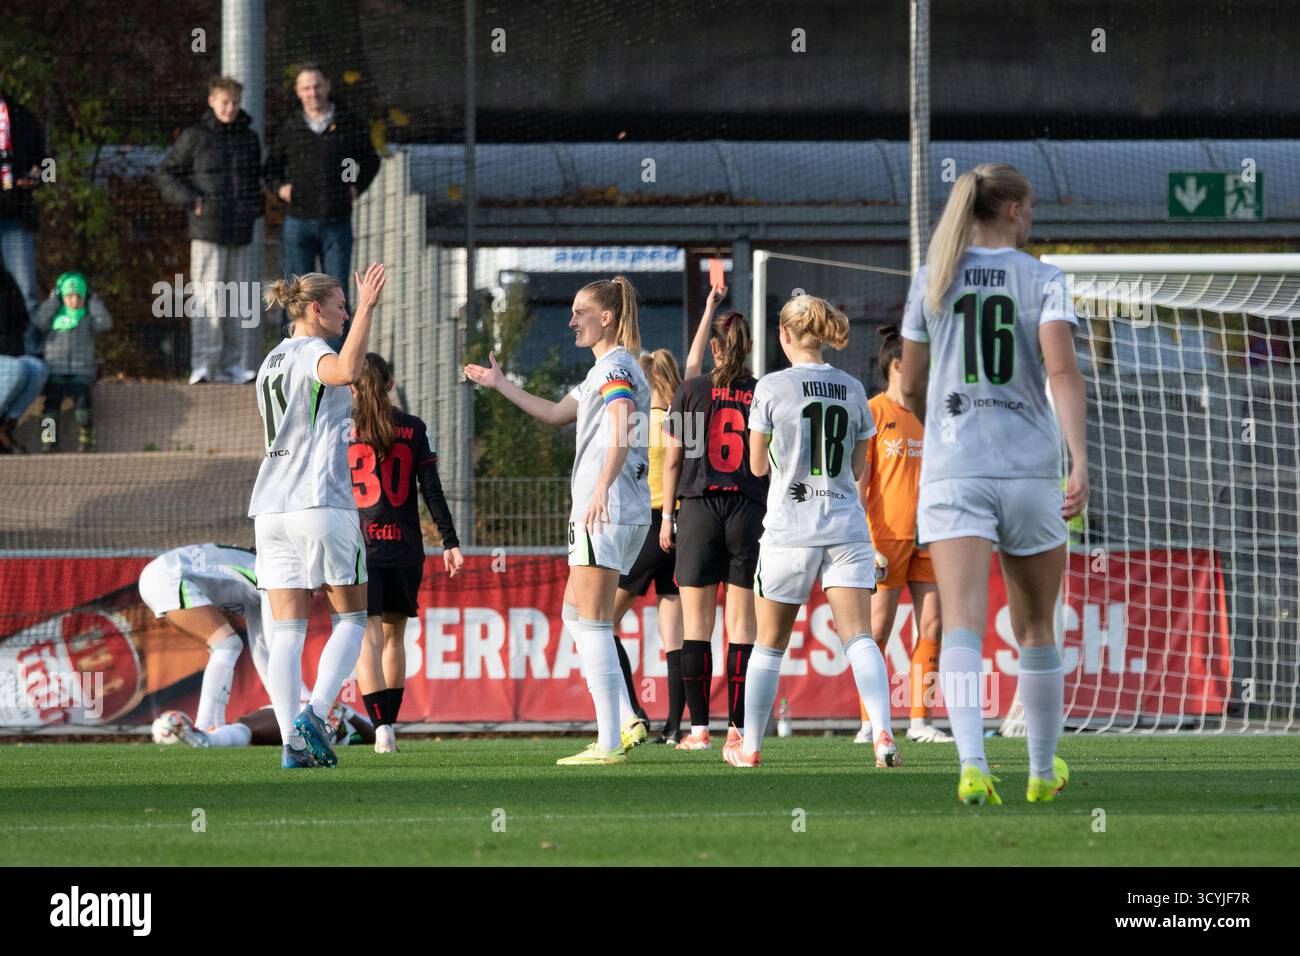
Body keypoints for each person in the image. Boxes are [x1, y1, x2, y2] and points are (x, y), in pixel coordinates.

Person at [898, 162, 1087, 805]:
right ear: (1012, 210)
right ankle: (1040, 771)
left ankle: (972, 765)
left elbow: (913, 384)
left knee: (962, 629)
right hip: (1031, 468)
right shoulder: (1044, 278)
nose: (1032, 219)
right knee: (1036, 627)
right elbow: (1062, 373)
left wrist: (948, 430)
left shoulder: (932, 279)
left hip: (953, 470)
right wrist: (1079, 459)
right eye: (1030, 208)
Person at [465, 275, 652, 765]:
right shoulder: (607, 369)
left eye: (579, 312)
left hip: (606, 511)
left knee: (592, 624)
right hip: (622, 512)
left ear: (606, 317)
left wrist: (599, 490)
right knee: (579, 616)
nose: (571, 321)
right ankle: (620, 721)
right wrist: (501, 384)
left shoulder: (615, 369)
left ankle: (611, 738)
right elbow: (553, 414)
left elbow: (619, 427)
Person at [727, 294, 897, 770]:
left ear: (784, 335)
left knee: (769, 644)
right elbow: (860, 467)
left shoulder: (772, 388)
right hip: (845, 525)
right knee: (860, 637)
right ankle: (883, 735)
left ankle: (752, 746)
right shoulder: (853, 388)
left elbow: (757, 465)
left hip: (789, 530)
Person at [250, 263, 386, 769]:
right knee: (351, 617)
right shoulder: (313, 351)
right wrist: (370, 307)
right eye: (341, 307)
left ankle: (292, 745)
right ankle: (316, 714)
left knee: (286, 633)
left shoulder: (270, 359)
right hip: (319, 501)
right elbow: (345, 371)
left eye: (351, 307)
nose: (346, 313)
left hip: (270, 509)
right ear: (315, 309)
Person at [661, 284, 767, 755]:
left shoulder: (691, 390)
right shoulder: (762, 391)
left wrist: (667, 516)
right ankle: (738, 730)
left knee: (695, 627)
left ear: (717, 347)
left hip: (700, 508)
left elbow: (672, 459)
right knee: (742, 626)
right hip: (748, 508)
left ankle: (699, 729)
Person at [349, 352, 464, 753]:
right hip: (404, 547)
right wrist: (449, 541)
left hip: (359, 548)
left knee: (368, 639)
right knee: (394, 637)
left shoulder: (342, 428)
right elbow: (431, 490)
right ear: (392, 384)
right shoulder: (413, 428)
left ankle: (379, 729)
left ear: (351, 387)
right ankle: (390, 729)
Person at [853, 325, 952, 744]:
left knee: (933, 625)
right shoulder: (873, 411)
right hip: (885, 537)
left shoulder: (931, 413)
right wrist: (863, 541)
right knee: (876, 630)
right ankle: (869, 722)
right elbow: (860, 480)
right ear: (898, 365)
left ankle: (920, 721)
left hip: (929, 534)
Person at [156, 76, 265, 385]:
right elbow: (165, 172)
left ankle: (233, 365)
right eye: (223, 102)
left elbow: (257, 179)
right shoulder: (195, 136)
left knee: (238, 299)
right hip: (207, 231)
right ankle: (203, 366)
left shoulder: (250, 138)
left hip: (241, 230)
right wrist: (193, 200)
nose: (229, 108)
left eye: (234, 102)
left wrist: (254, 208)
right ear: (212, 101)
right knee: (207, 298)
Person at [265, 64, 380, 350]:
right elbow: (270, 168)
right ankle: (292, 354)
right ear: (298, 92)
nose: (312, 92)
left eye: (317, 86)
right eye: (305, 87)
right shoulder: (289, 126)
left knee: (335, 292)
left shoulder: (348, 123)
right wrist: (281, 188)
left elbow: (370, 160)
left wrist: (355, 185)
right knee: (294, 292)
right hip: (298, 223)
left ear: (327, 86)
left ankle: (338, 359)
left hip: (337, 223)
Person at [611, 349, 683, 744]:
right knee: (675, 632)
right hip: (679, 526)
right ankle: (675, 726)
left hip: (647, 527)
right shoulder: (681, 419)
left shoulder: (638, 422)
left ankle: (634, 711)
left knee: (602, 622)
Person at [32, 272, 111, 452]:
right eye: (69, 296)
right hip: (55, 372)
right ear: (62, 297)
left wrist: (93, 300)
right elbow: (39, 321)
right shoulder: (53, 318)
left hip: (80, 372)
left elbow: (105, 323)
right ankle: (48, 441)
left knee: (83, 404)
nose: (74, 301)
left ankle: (86, 438)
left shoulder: (87, 318)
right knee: (51, 407)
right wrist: (53, 299)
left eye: (79, 296)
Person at [0, 74, 44, 355]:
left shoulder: (22, 117)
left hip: (14, 214)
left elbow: (46, 162)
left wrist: (38, 176)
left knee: (26, 288)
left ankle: (32, 356)